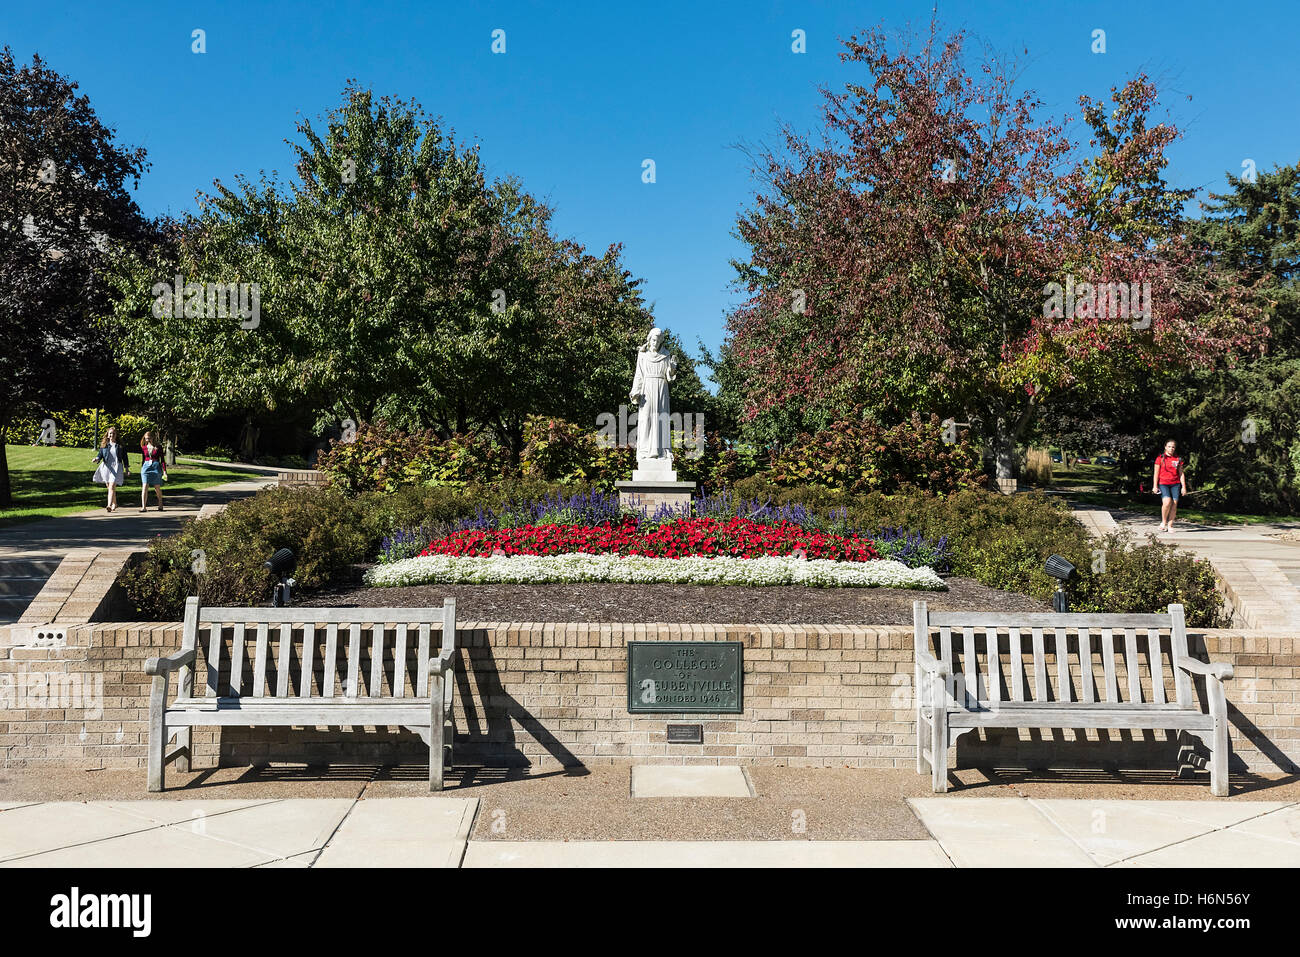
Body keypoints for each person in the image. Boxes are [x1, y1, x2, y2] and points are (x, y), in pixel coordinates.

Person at [1152, 439, 1188, 533]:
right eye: (1169, 446)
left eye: (1173, 447)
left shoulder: (1178, 459)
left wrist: (1184, 487)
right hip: (1163, 483)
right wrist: (1155, 486)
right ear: (1165, 447)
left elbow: (1181, 473)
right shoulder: (1160, 458)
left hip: (1175, 484)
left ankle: (1170, 525)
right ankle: (1163, 522)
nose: (1171, 448)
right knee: (1167, 502)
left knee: (1174, 504)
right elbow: (1156, 473)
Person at [91, 426, 129, 512]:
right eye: (110, 433)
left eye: (114, 433)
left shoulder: (120, 446)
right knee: (110, 487)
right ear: (108, 435)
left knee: (111, 486)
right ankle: (114, 503)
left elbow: (125, 458)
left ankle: (108, 505)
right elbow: (100, 455)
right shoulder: (104, 446)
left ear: (116, 435)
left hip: (117, 467)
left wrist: (127, 469)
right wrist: (96, 459)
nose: (112, 435)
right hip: (106, 468)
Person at [139, 431, 167, 512]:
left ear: (152, 437)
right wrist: (142, 469)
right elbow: (143, 459)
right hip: (146, 467)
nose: (147, 440)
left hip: (156, 467)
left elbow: (162, 460)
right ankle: (143, 507)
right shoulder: (143, 447)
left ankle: (160, 503)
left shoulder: (159, 447)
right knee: (144, 486)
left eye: (149, 438)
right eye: (146, 438)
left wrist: (164, 471)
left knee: (157, 487)